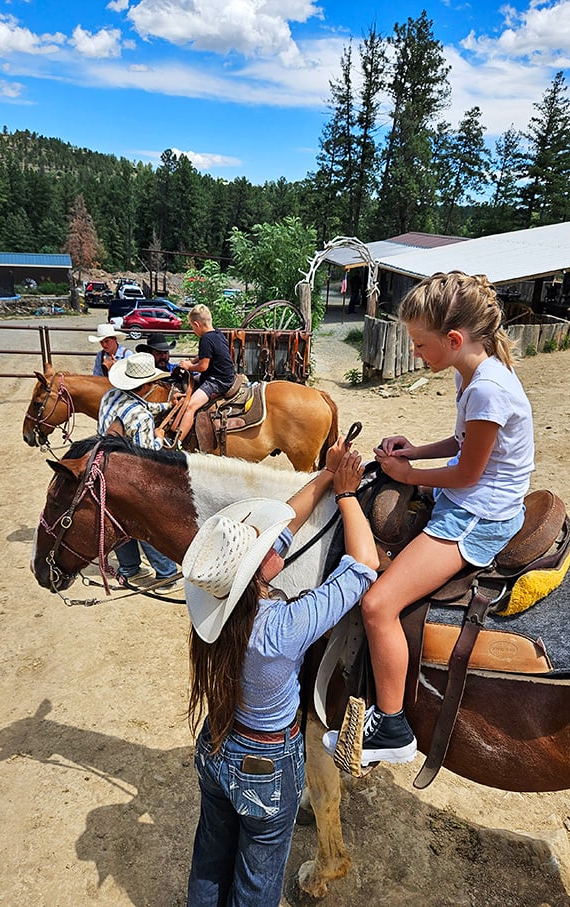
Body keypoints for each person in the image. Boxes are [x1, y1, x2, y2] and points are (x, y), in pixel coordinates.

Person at [325, 271, 535, 770]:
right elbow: (463, 443)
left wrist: (409, 472)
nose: (416, 353)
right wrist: (414, 449)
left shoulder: (487, 390)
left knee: (377, 604)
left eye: (420, 344)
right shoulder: (475, 373)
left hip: (475, 515)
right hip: (471, 499)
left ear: (454, 339)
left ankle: (393, 726)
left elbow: (467, 471)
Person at [183, 439, 379, 907]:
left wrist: (329, 476)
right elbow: (364, 567)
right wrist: (349, 496)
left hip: (218, 748)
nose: (270, 538)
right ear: (258, 572)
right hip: (267, 769)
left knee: (211, 856)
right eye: (260, 544)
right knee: (257, 878)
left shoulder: (214, 607)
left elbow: (286, 517)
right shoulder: (282, 628)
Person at [98, 352, 181, 593]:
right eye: (152, 382)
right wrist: (160, 437)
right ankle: (167, 574)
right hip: (130, 474)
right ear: (144, 385)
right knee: (146, 520)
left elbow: (141, 406)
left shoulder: (109, 396)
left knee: (118, 518)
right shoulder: (142, 418)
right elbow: (147, 456)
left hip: (107, 467)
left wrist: (166, 406)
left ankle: (129, 567)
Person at [175, 303, 236, 441]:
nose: (192, 329)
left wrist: (189, 366)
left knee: (191, 406)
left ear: (196, 324)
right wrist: (191, 362)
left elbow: (203, 366)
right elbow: (203, 357)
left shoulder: (206, 339)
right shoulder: (217, 333)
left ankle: (177, 442)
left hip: (217, 381)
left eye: (191, 326)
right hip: (224, 376)